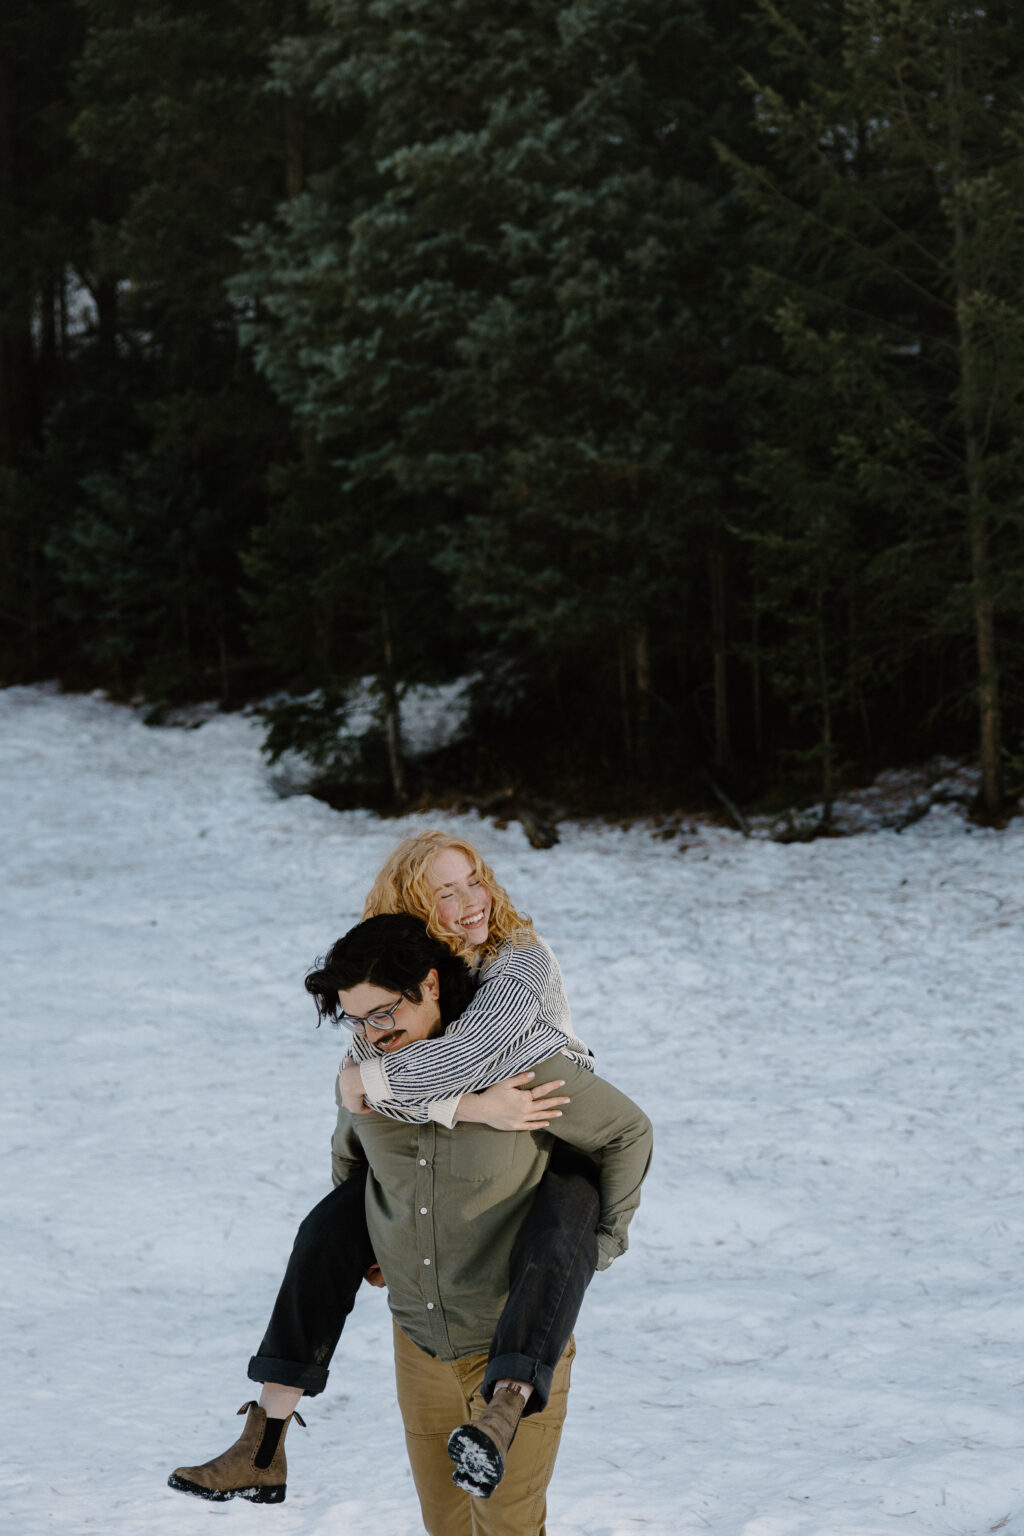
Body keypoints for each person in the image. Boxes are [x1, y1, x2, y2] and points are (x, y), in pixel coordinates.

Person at [169, 833, 651, 1514]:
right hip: (422, 1332)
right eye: (443, 892)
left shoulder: (515, 976)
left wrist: (603, 1238)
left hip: (545, 1142)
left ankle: (510, 1399)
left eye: (473, 882)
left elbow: (471, 1056)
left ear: (425, 985)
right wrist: (376, 1234)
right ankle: (265, 1435)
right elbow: (353, 1140)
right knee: (330, 1222)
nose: (468, 902)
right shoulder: (379, 1026)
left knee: (563, 1213)